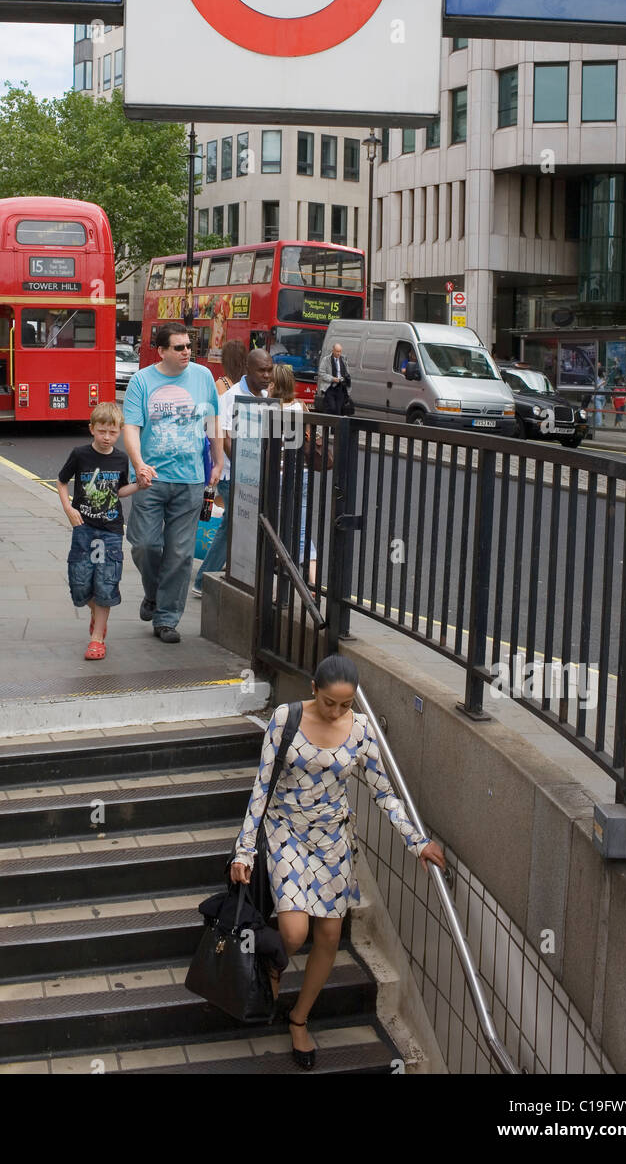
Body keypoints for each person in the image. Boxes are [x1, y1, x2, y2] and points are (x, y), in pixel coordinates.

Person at [231, 654, 446, 1069]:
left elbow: (384, 792)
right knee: (293, 932)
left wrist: (416, 842)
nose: (337, 711)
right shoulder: (285, 717)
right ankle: (272, 970)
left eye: (346, 705)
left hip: (332, 840)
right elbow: (261, 785)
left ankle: (299, 1019)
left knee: (329, 936)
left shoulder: (361, 730)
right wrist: (244, 850)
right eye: (330, 702)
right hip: (285, 831)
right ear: (314, 688)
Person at [122, 322, 223, 643]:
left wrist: (219, 460)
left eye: (189, 347)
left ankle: (166, 618)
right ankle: (153, 594)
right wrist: (138, 464)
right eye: (178, 347)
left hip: (191, 480)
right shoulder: (142, 381)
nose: (186, 353)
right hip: (150, 480)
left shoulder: (203, 377)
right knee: (145, 545)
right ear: (161, 350)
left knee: (179, 554)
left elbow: (212, 420)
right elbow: (132, 427)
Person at [57, 402, 146, 661]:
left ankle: (97, 638)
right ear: (92, 430)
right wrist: (68, 509)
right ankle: (97, 616)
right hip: (84, 529)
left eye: (113, 432)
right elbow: (62, 482)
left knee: (106, 583)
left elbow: (119, 491)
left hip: (110, 530)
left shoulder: (120, 458)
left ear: (119, 433)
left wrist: (139, 486)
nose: (107, 437)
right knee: (80, 585)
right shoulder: (79, 454)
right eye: (102, 431)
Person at [192, 348, 272, 598]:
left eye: (270, 370)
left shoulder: (266, 395)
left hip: (255, 472)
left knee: (237, 525)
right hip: (232, 474)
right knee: (233, 525)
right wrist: (242, 464)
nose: (267, 375)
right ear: (249, 369)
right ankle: (206, 580)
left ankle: (228, 575)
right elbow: (223, 435)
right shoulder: (231, 396)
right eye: (262, 370)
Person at [269, 363, 318, 586]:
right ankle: (313, 580)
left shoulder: (269, 409)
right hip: (302, 472)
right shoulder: (301, 407)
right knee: (301, 525)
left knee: (274, 524)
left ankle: (282, 572)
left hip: (277, 475)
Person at [316, 342, 352, 415]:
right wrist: (332, 378)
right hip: (330, 388)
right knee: (332, 408)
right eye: (337, 351)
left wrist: (345, 379)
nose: (339, 353)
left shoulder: (344, 359)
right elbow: (321, 373)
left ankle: (334, 426)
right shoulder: (326, 360)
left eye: (340, 351)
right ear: (333, 351)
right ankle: (326, 424)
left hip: (341, 388)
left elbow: (347, 373)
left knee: (338, 411)